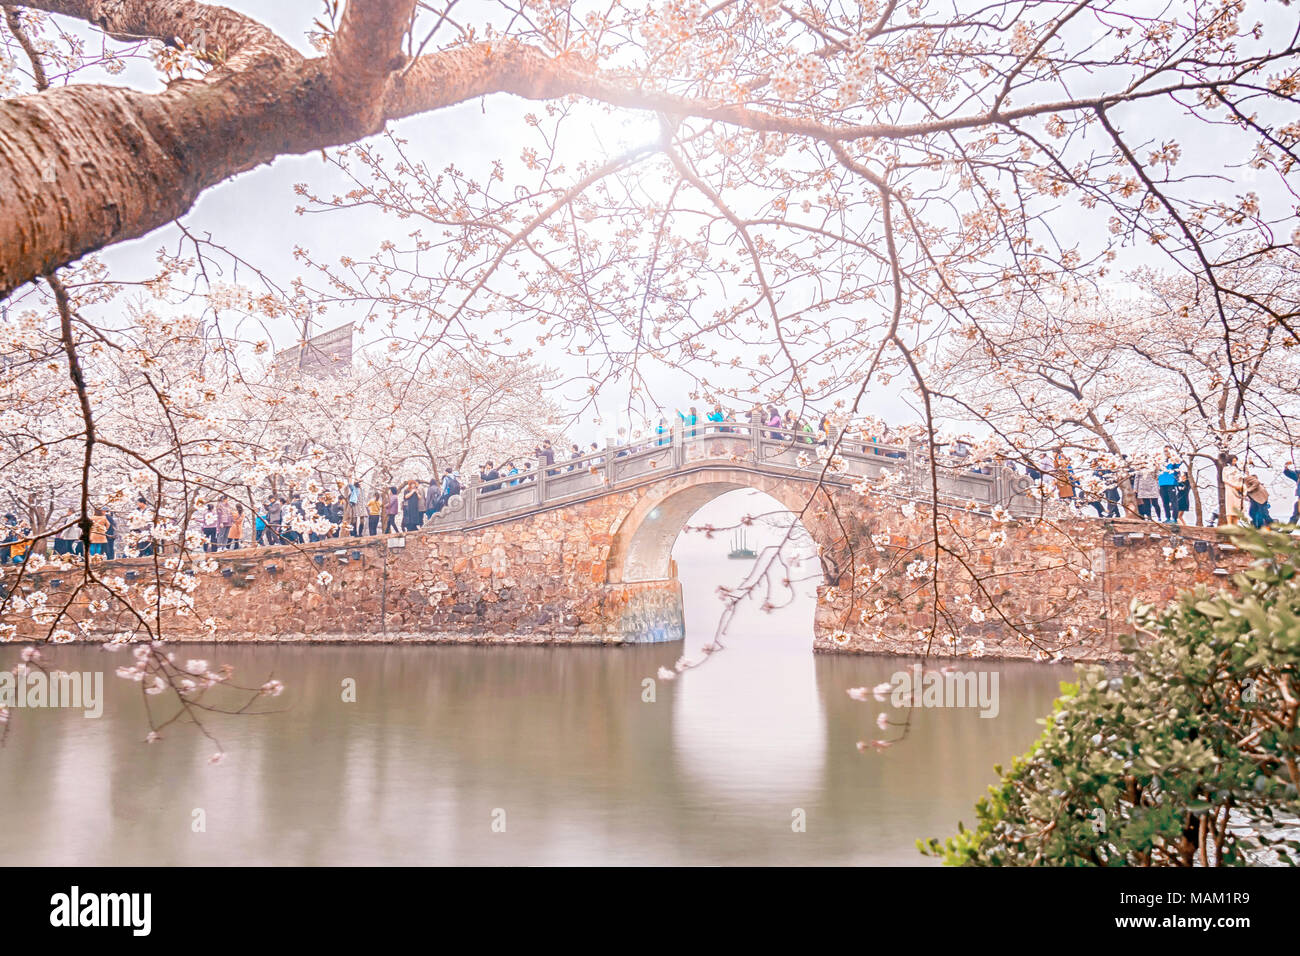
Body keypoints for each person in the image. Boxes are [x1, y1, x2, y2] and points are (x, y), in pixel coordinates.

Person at [1157, 447, 1182, 525]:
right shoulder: (1161, 460)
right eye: (1164, 451)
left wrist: (1174, 457)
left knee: (1173, 501)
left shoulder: (1174, 460)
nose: (1166, 453)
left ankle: (1174, 519)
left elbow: (1179, 464)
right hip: (1162, 483)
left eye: (1167, 451)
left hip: (1171, 483)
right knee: (1165, 502)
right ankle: (1167, 517)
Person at [1222, 455, 1245, 525]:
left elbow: (1242, 477)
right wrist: (1233, 485)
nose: (1235, 462)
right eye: (1233, 460)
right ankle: (1229, 523)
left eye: (1236, 461)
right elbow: (1224, 479)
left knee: (1237, 506)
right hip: (1230, 488)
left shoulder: (1238, 469)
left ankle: (1236, 524)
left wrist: (1240, 486)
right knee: (1229, 505)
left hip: (1238, 489)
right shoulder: (1226, 469)